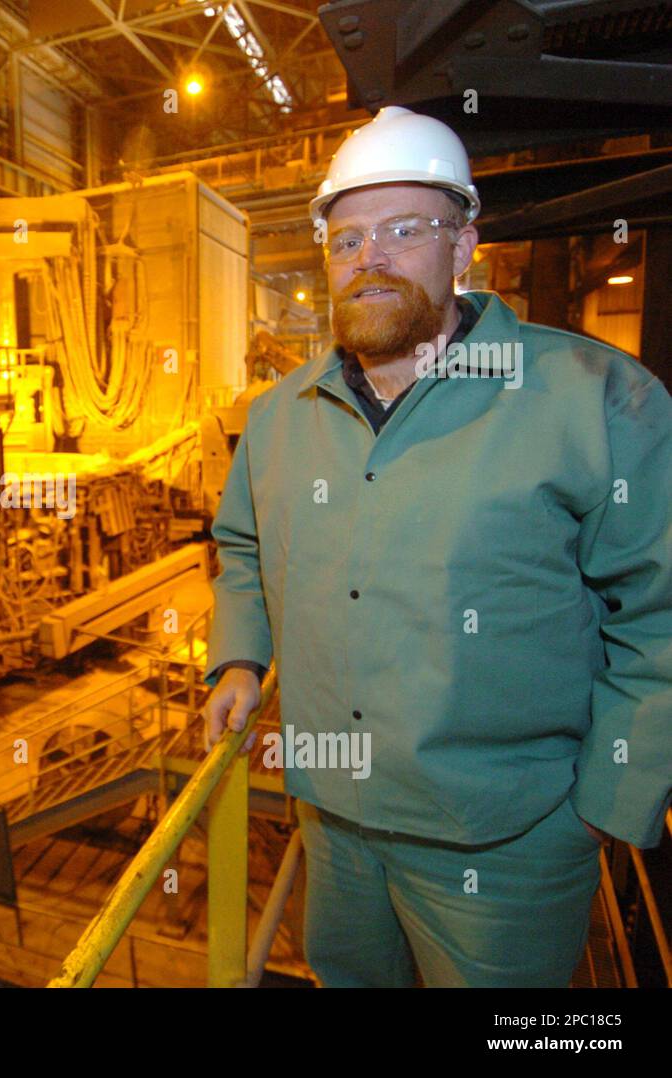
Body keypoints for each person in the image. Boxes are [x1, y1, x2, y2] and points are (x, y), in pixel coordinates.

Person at [201, 106, 672, 988]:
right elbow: (240, 547)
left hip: (507, 841)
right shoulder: (277, 419)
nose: (369, 257)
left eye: (405, 230)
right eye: (347, 240)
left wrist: (611, 800)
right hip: (332, 819)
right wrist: (238, 660)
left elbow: (661, 611)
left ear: (464, 248)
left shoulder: (593, 399)